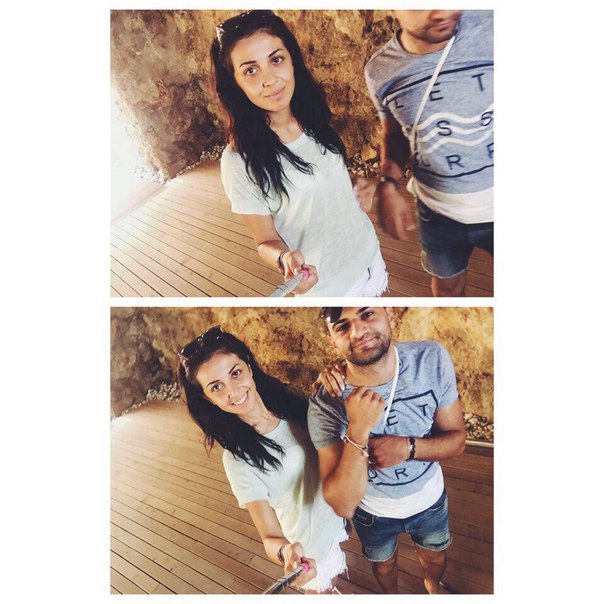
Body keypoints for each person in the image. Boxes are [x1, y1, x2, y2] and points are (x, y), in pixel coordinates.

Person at [211, 10, 387, 297]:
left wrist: (354, 183)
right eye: (251, 70)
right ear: (235, 83)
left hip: (368, 254)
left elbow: (323, 171)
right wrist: (284, 259)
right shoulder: (239, 161)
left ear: (292, 60)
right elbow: (265, 241)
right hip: (328, 286)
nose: (270, 79)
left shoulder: (311, 116)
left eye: (276, 60)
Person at [178, 326, 350, 593]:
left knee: (337, 580)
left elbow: (328, 432)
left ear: (248, 366)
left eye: (235, 373)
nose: (233, 391)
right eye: (217, 387)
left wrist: (327, 388)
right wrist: (286, 552)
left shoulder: (289, 399)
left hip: (337, 518)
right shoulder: (237, 460)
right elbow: (269, 537)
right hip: (311, 545)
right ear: (207, 398)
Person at [307, 307, 466, 594]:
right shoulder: (326, 401)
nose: (358, 331)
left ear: (389, 314)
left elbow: (457, 441)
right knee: (383, 566)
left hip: (429, 498)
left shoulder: (430, 359)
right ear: (332, 340)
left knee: (435, 557)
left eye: (367, 315)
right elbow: (343, 505)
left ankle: (433, 586)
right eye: (342, 326)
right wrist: (358, 429)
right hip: (372, 512)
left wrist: (407, 448)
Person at [365, 10, 494, 297]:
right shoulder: (380, 71)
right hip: (436, 212)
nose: (444, 10)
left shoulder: (491, 25)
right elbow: (395, 135)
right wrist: (388, 183)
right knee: (447, 291)